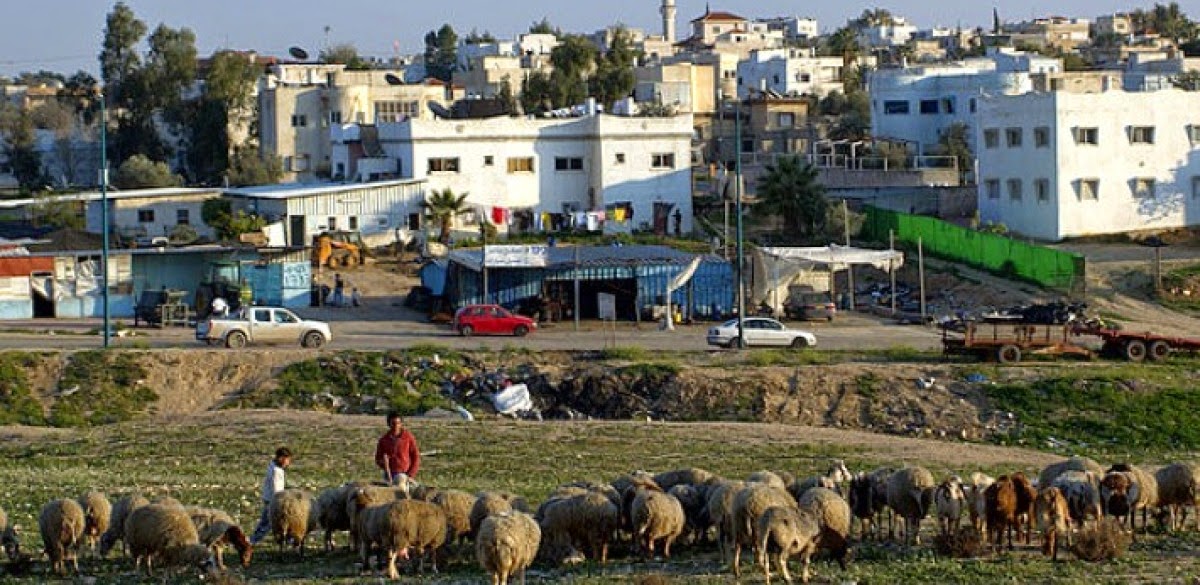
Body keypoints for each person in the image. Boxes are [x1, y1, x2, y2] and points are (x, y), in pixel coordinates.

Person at [250, 446, 292, 545]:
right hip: (274, 501)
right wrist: (282, 500)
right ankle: (252, 541)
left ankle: (287, 540)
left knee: (277, 522)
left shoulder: (273, 466)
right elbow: (276, 490)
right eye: (287, 460)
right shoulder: (276, 471)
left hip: (270, 499)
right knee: (267, 523)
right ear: (281, 458)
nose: (288, 463)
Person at [374, 412, 420, 486]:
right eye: (393, 423)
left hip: (404, 474)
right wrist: (384, 462)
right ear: (389, 424)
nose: (396, 426)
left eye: (398, 423)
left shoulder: (408, 438)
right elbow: (378, 458)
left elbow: (415, 456)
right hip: (388, 475)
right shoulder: (384, 440)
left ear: (401, 424)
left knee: (400, 491)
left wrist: (411, 474)